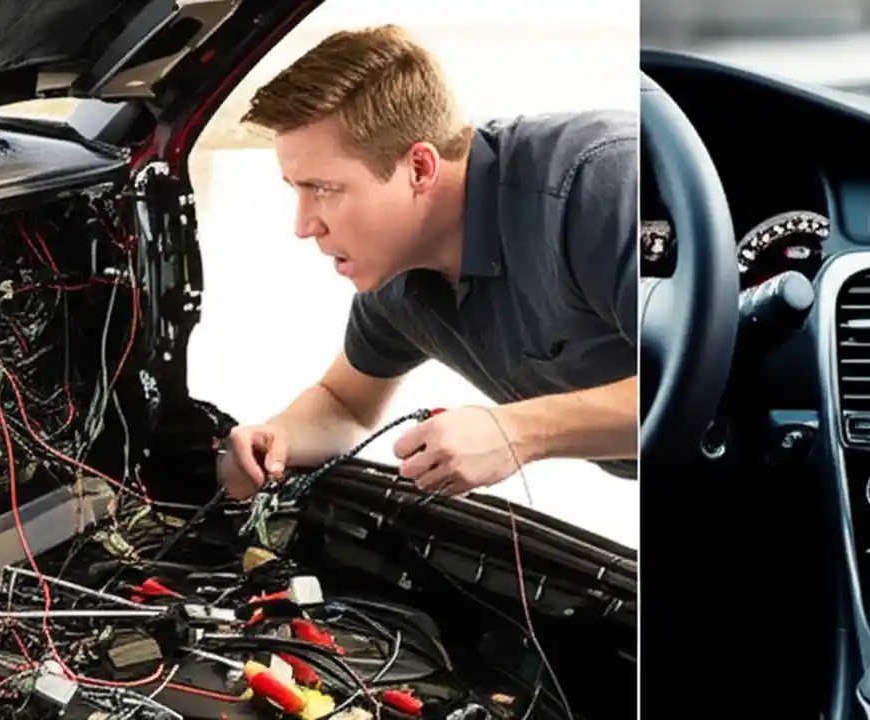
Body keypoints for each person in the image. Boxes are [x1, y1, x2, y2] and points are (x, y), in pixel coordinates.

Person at [216, 24, 637, 500]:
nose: (304, 224)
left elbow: (717, 378)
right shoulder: (396, 280)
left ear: (419, 168)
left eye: (324, 189)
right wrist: (278, 439)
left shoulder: (596, 189)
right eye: (296, 189)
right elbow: (345, 404)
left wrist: (516, 431)